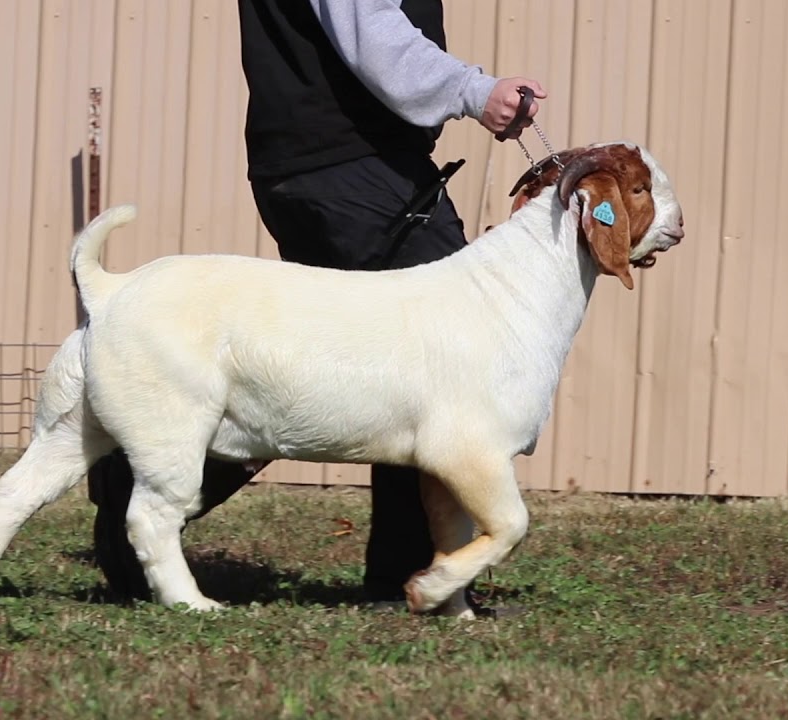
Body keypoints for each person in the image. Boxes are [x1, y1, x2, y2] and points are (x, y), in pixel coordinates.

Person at [87, 0, 547, 613]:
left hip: (313, 164)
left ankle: (135, 492)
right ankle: (412, 584)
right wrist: (472, 89)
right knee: (441, 362)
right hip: (351, 163)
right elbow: (372, 35)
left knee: (305, 372)